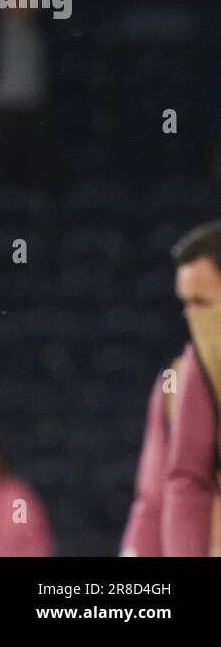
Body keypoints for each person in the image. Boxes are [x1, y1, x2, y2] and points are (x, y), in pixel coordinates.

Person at [122, 220, 221, 556]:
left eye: (202, 303)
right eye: (185, 303)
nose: (191, 316)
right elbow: (168, 488)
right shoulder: (181, 378)